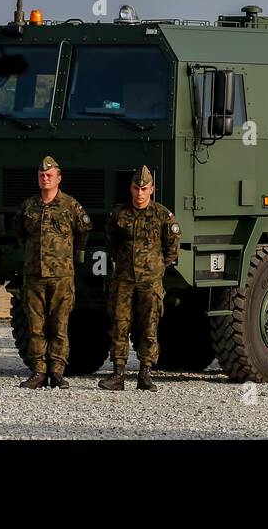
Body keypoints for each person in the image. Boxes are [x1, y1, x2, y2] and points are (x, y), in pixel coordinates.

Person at [99, 165, 180, 391]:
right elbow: (111, 244)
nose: (140, 193)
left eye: (144, 188)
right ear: (131, 189)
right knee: (119, 324)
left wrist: (156, 267)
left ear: (151, 189)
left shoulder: (163, 216)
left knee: (149, 326)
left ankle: (145, 373)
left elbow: (172, 248)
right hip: (123, 279)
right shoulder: (119, 215)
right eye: (136, 188)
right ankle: (118, 374)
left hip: (150, 281)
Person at [14, 156, 91, 389]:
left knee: (59, 324)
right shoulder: (28, 207)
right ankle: (38, 371)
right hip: (34, 276)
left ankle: (57, 371)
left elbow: (83, 231)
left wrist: (69, 256)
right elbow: (20, 233)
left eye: (49, 175)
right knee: (35, 326)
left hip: (61, 276)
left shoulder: (70, 206)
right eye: (41, 175)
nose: (45, 178)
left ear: (59, 178)